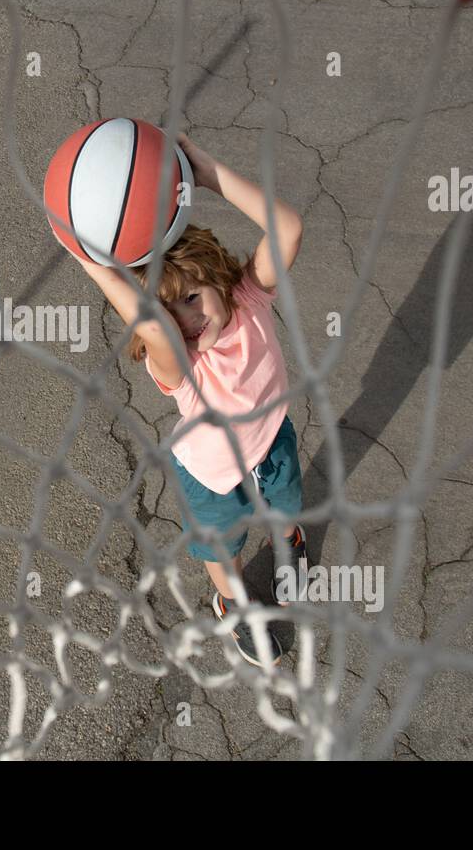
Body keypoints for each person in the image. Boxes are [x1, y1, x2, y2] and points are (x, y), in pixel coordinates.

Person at [76, 133, 307, 668]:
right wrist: (96, 266)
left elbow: (288, 229)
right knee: (223, 551)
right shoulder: (180, 361)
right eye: (169, 311)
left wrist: (208, 172)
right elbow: (156, 330)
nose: (186, 318)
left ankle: (288, 542)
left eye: (191, 297)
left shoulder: (248, 296)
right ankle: (233, 602)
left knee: (287, 508)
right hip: (209, 473)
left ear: (218, 278)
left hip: (272, 439)